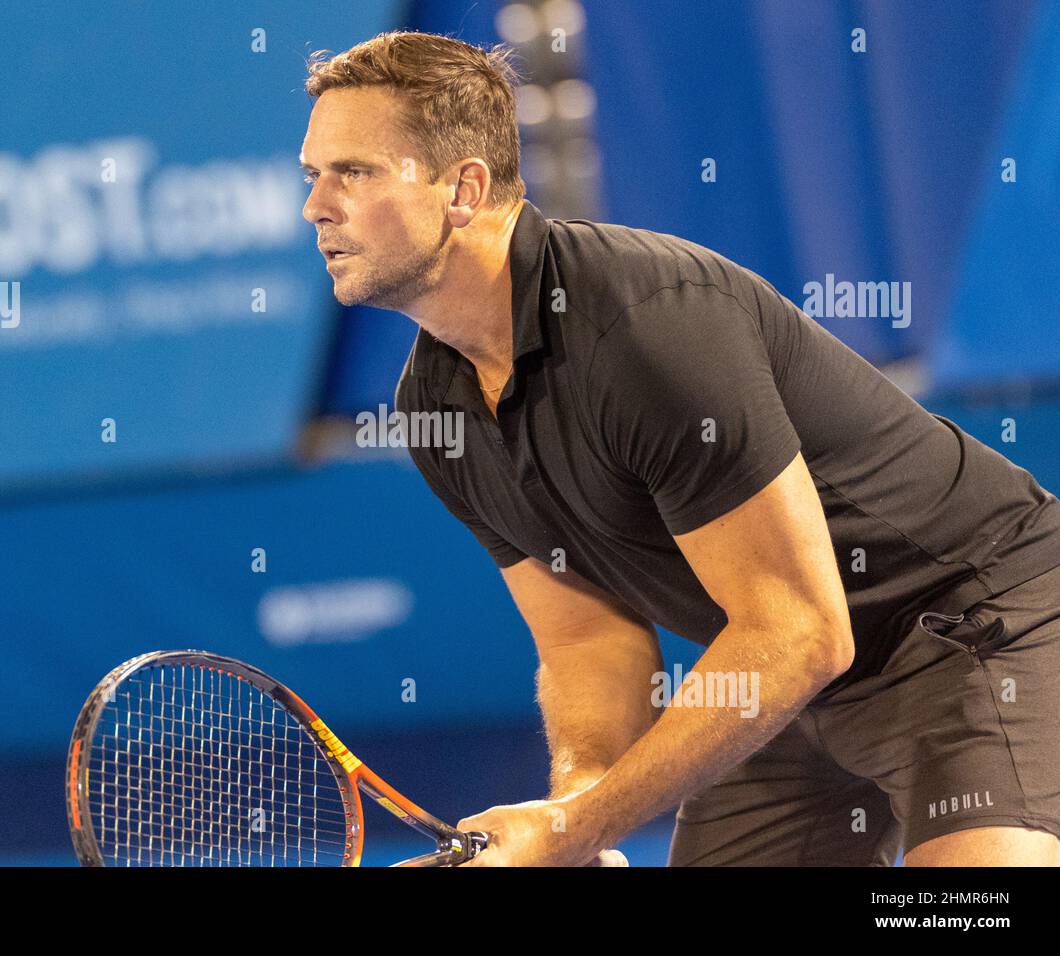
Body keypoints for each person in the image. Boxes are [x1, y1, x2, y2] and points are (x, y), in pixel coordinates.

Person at [299, 30, 1060, 866]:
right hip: (780, 683)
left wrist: (572, 833)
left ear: (463, 190)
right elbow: (589, 640)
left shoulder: (647, 325)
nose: (316, 206)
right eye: (314, 176)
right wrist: (579, 802)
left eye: (355, 172)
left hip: (977, 620)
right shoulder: (433, 406)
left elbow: (803, 631)